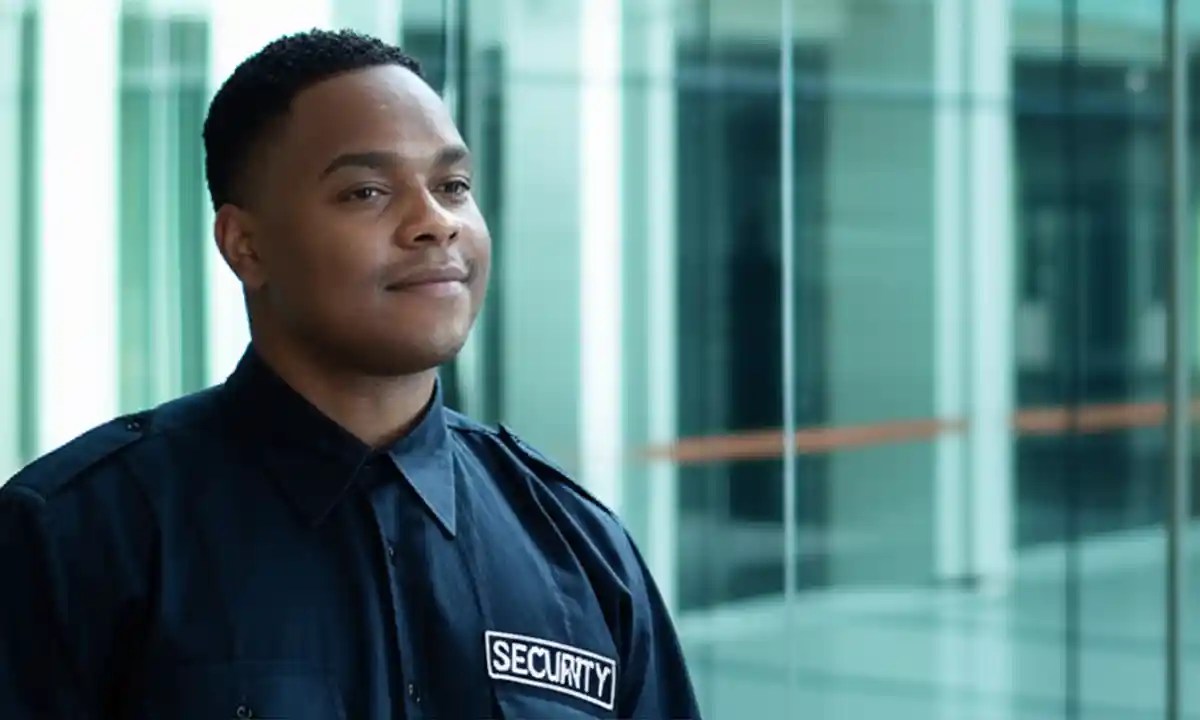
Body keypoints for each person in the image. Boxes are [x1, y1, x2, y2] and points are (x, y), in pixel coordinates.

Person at [0, 29, 701, 720]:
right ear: (246, 245)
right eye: (366, 192)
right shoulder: (77, 536)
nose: (435, 222)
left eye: (453, 185)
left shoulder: (576, 544)